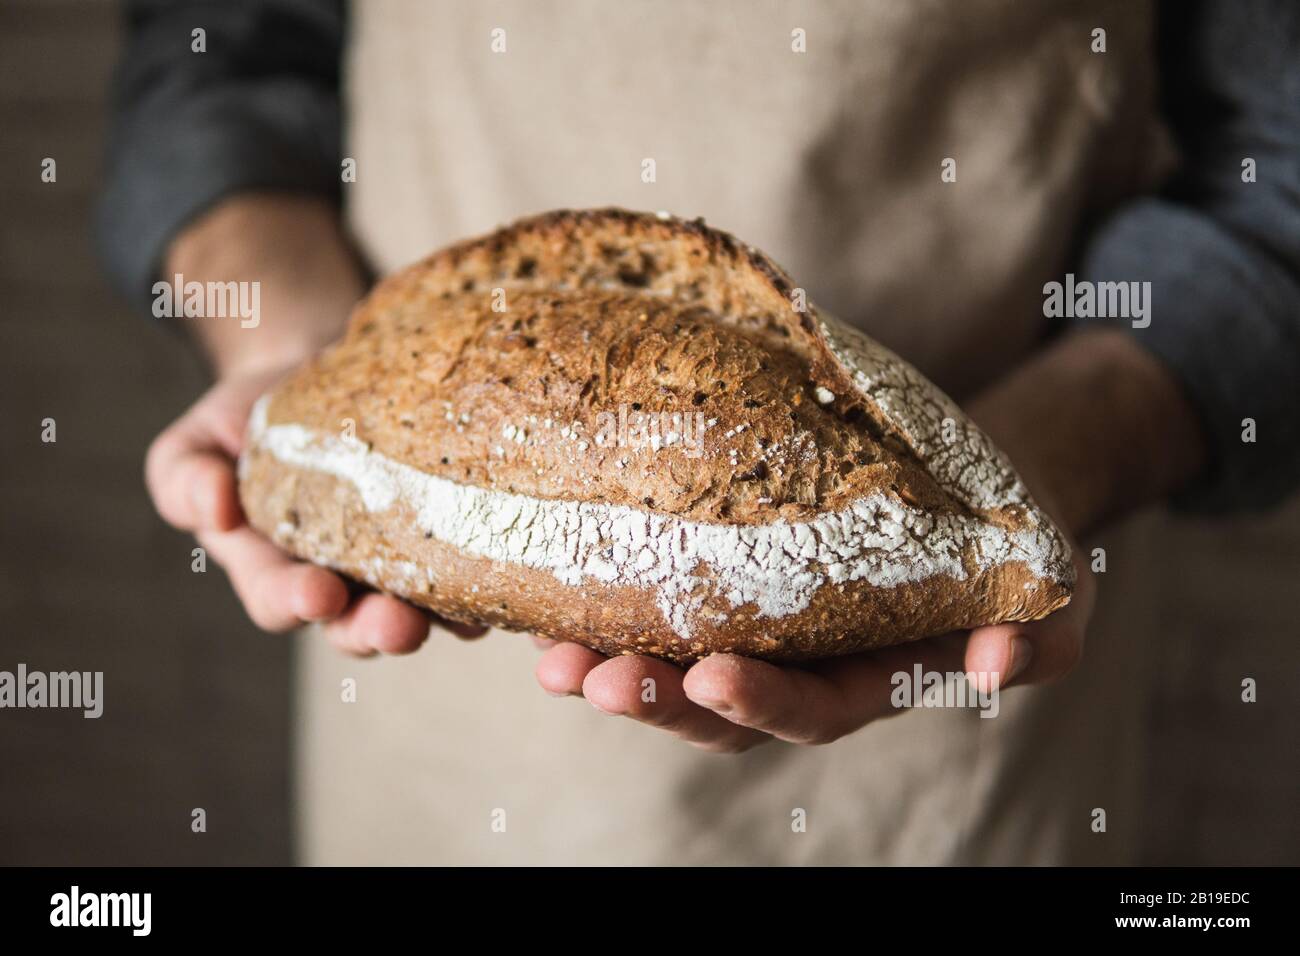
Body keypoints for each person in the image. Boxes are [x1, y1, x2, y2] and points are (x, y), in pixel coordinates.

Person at [99, 0, 1299, 864]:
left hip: (955, 754)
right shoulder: (318, 437)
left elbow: (1277, 177)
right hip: (430, 715)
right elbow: (217, 52)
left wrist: (1041, 468)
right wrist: (278, 341)